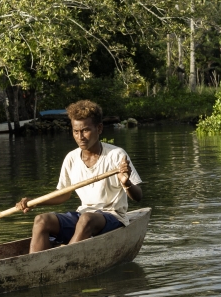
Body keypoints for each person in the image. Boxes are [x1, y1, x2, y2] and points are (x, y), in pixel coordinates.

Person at [16, 100, 142, 253]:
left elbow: (138, 196)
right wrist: (34, 202)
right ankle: (34, 265)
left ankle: (62, 260)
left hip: (112, 217)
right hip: (83, 215)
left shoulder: (116, 155)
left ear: (99, 128)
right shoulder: (71, 158)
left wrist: (126, 182)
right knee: (41, 220)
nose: (80, 137)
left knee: (86, 219)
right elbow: (63, 195)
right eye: (76, 131)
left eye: (85, 130)